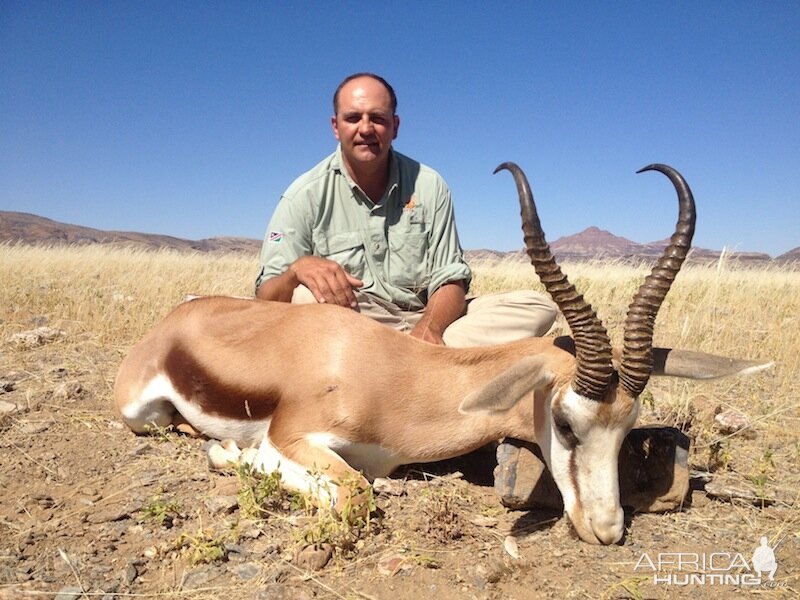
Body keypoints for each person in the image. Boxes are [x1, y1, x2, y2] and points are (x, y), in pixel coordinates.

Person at [255, 72, 556, 347]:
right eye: (352, 118)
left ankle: (405, 360)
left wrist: (430, 328)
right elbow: (265, 299)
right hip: (356, 323)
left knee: (537, 307)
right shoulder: (303, 195)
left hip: (428, 322)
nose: (365, 128)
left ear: (395, 127)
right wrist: (296, 270)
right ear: (335, 127)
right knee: (304, 298)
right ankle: (429, 364)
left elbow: (449, 279)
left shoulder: (430, 185)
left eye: (378, 118)